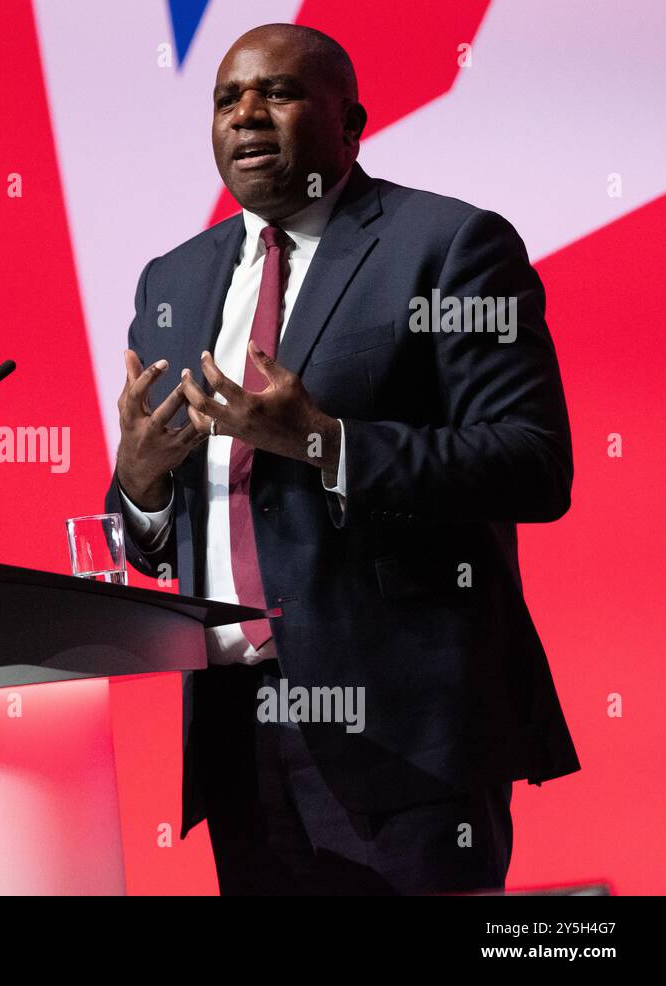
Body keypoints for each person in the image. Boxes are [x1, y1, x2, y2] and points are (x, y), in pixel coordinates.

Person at [106, 23, 578, 895]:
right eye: (225, 100)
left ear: (351, 123)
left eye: (277, 93)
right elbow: (153, 533)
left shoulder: (447, 247)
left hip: (408, 734)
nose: (247, 114)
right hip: (237, 729)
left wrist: (325, 443)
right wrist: (138, 484)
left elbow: (531, 464)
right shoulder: (169, 283)